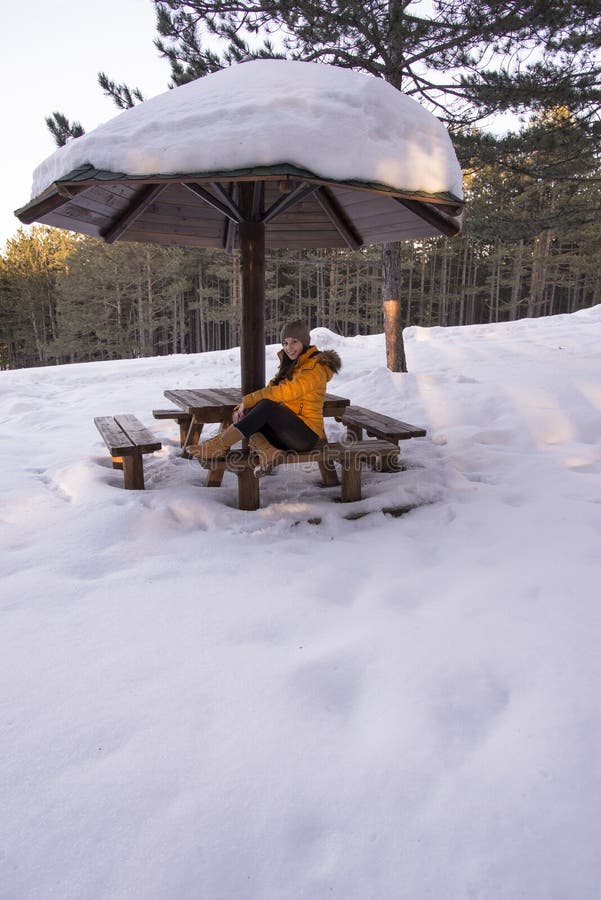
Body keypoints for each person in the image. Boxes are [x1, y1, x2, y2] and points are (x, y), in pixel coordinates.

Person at [186, 320, 341, 472]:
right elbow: (270, 390)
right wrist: (243, 409)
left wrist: (247, 401)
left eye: (294, 341)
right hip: (286, 433)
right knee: (252, 412)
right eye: (285, 343)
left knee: (267, 406)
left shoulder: (315, 367)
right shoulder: (289, 366)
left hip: (305, 435)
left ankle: (218, 445)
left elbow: (285, 392)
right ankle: (268, 452)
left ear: (305, 342)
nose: (289, 347)